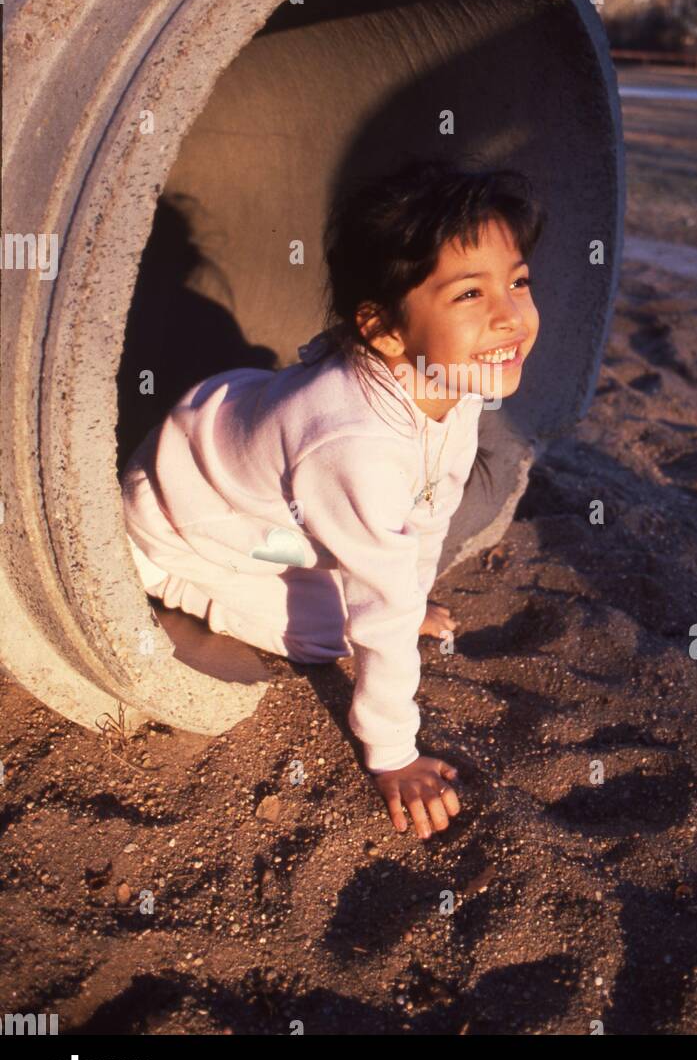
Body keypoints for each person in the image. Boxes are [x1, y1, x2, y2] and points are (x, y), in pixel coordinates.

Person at [120, 158, 544, 839]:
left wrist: (409, 593)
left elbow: (430, 506)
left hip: (267, 493)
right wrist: (394, 756)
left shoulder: (451, 379)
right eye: (470, 295)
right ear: (382, 330)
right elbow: (380, 603)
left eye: (518, 281)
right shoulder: (355, 444)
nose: (509, 315)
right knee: (335, 633)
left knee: (381, 595)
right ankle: (175, 578)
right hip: (189, 515)